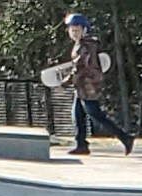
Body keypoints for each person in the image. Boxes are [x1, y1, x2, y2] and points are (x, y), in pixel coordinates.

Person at [55, 12, 130, 154]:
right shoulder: (82, 44)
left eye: (77, 30)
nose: (74, 33)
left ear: (84, 29)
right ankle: (81, 145)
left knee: (96, 116)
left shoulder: (86, 45)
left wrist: (65, 82)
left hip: (88, 87)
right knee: (77, 115)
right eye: (72, 30)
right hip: (82, 86)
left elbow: (79, 68)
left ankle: (125, 138)